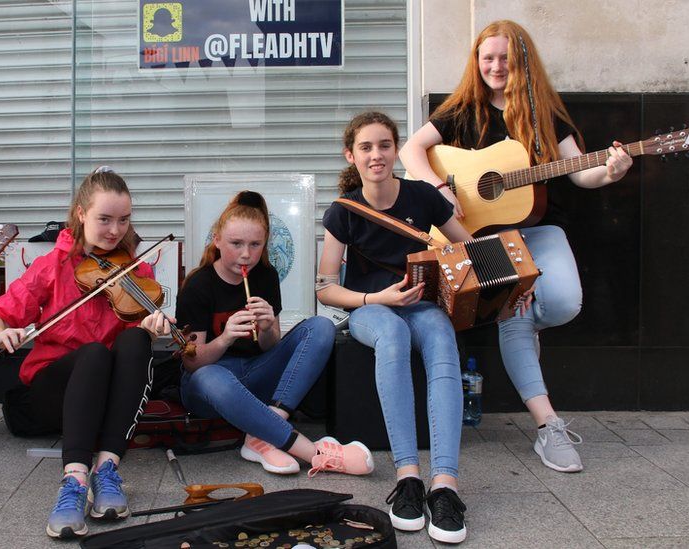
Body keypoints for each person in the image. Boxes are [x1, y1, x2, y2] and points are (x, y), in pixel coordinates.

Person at [399, 20, 633, 474]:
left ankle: (520, 322)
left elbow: (580, 172)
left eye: (505, 57)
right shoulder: (463, 109)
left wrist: (613, 170)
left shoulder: (545, 113)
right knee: (516, 314)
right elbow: (412, 151)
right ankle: (549, 425)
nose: (495, 66)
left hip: (540, 230)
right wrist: (437, 189)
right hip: (483, 239)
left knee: (564, 302)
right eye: (487, 57)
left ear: (522, 60)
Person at [0, 166, 172, 539]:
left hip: (105, 401)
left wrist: (152, 325)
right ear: (81, 214)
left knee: (136, 342)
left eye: (123, 220)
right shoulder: (51, 266)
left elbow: (134, 348)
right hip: (51, 393)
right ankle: (73, 481)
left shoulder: (135, 269)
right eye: (104, 219)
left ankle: (107, 469)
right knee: (95, 353)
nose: (115, 231)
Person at [318, 112, 473, 543]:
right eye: (366, 147)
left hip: (420, 303)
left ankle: (445, 485)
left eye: (384, 145)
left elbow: (466, 246)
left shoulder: (423, 196)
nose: (376, 155)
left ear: (395, 149)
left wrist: (508, 279)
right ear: (351, 154)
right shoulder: (344, 210)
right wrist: (375, 298)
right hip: (371, 307)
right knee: (394, 335)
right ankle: (408, 478)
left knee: (443, 336)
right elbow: (326, 288)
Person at [176, 191, 373, 478]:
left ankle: (263, 433)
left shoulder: (265, 277)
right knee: (209, 375)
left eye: (255, 245)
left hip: (255, 377)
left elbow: (270, 347)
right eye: (236, 244)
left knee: (320, 327)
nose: (246, 254)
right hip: (210, 387)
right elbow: (192, 363)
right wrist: (226, 338)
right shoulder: (198, 284)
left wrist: (268, 327)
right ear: (217, 240)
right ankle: (312, 453)